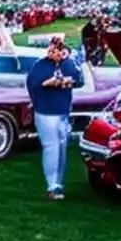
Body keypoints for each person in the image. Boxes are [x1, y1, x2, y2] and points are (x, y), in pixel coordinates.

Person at [25, 37, 84, 199]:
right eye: (52, 50)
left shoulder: (67, 64)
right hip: (46, 112)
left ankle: (58, 183)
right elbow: (34, 85)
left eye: (58, 50)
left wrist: (67, 63)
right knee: (52, 147)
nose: (55, 53)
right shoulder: (40, 66)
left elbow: (79, 80)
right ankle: (52, 185)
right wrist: (52, 84)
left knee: (62, 148)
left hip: (63, 112)